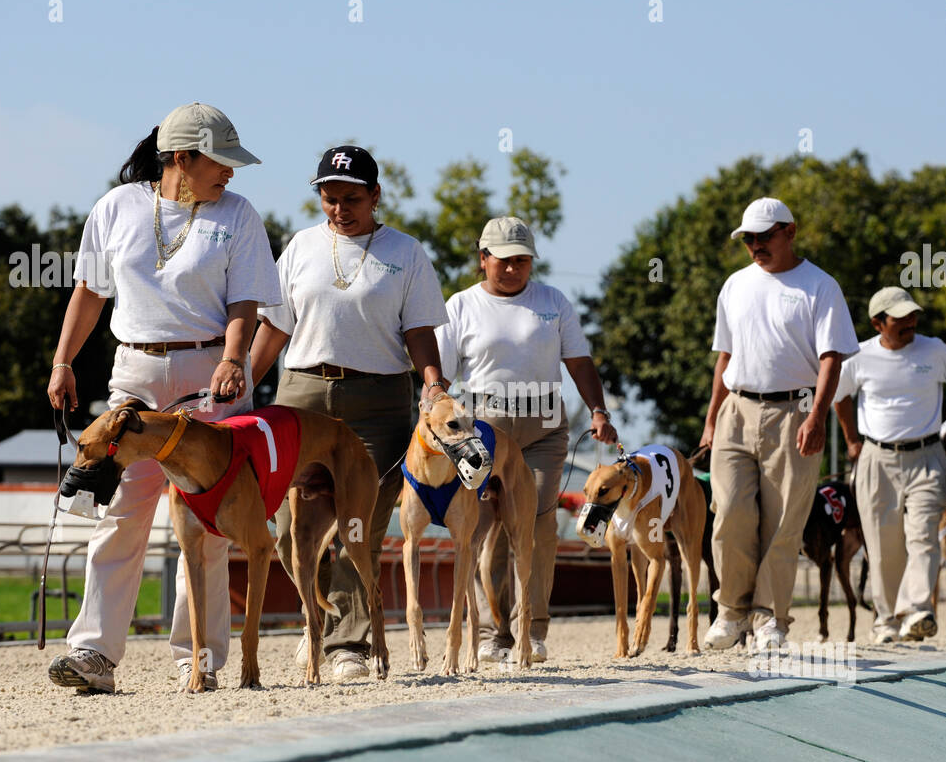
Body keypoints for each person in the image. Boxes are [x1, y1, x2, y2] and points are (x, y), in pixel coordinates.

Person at [46, 102, 281, 693]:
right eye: (220, 162)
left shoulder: (239, 215)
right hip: (136, 375)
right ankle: (93, 654)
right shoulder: (116, 207)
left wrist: (233, 357)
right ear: (181, 157)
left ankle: (197, 658)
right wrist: (63, 361)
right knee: (121, 510)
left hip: (211, 377)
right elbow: (90, 294)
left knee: (208, 523)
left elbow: (244, 303)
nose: (230, 172)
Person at [249, 146, 446, 680]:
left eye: (352, 199)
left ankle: (346, 646)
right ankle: (319, 616)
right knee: (292, 529)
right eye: (329, 198)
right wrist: (243, 378)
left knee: (360, 525)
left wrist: (432, 385)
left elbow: (419, 331)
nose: (339, 209)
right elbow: (276, 327)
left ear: (376, 196)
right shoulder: (300, 247)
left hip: (377, 401)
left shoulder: (406, 253)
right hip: (302, 394)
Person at [435, 217, 617, 663]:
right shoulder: (460, 306)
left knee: (535, 524)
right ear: (483, 260)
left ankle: (532, 628)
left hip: (542, 428)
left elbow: (579, 362)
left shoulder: (553, 303)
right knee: (479, 529)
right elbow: (436, 375)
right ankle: (490, 631)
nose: (514, 269)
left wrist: (598, 410)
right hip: (481, 428)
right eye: (503, 260)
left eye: (522, 261)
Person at [699, 197, 859, 652]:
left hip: (796, 414)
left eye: (764, 236)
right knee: (729, 512)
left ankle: (769, 618)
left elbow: (832, 359)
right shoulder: (735, 285)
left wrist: (817, 416)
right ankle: (730, 612)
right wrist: (711, 420)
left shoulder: (821, 287)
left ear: (790, 232)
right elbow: (724, 358)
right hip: (736, 410)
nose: (755, 246)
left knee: (783, 523)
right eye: (748, 238)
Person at [832, 287, 946, 644]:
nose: (911, 322)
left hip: (927, 457)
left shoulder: (935, 349)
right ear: (879, 323)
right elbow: (839, 395)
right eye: (901, 318)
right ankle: (886, 622)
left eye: (913, 315)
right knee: (882, 547)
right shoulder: (858, 356)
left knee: (924, 534)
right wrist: (851, 440)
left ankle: (918, 610)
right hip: (876, 460)